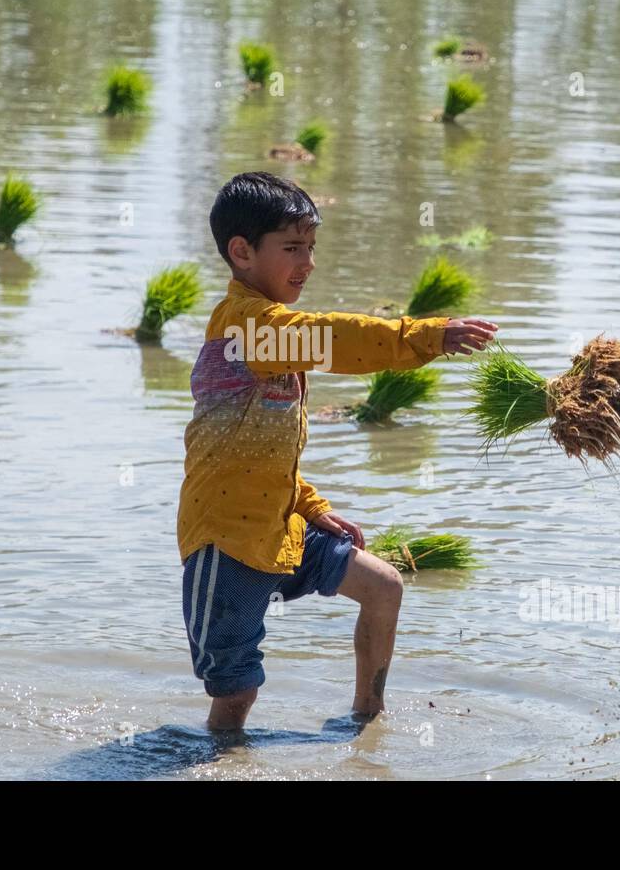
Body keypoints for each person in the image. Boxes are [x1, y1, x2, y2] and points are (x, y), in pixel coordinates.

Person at [177, 171, 498, 731]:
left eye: (312, 248)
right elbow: (337, 339)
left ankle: (365, 723)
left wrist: (309, 504)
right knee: (237, 698)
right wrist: (426, 337)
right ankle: (220, 763)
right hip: (226, 543)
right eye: (292, 248)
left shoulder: (272, 333)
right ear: (241, 252)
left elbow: (264, 449)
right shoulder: (248, 327)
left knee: (383, 586)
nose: (308, 263)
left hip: (280, 527)